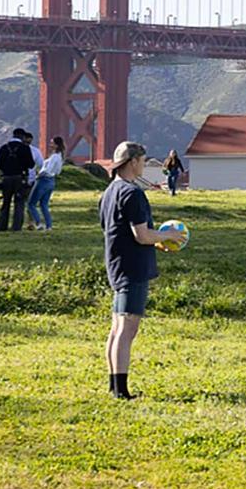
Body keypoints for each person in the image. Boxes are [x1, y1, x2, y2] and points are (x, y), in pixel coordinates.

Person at [100, 141, 182, 400]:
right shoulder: (133, 193)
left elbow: (120, 232)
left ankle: (114, 386)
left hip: (116, 264)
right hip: (133, 267)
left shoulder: (109, 192)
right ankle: (121, 392)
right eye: (143, 160)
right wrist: (167, 235)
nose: (144, 165)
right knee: (127, 330)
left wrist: (156, 239)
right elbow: (141, 234)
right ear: (133, 161)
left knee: (116, 328)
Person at [0, 127, 36, 232]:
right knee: (19, 202)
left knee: (6, 202)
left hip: (6, 178)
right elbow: (31, 164)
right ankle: (16, 227)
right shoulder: (25, 148)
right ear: (22, 137)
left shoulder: (4, 148)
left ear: (13, 135)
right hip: (20, 178)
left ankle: (2, 226)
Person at [27, 136, 65, 233]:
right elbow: (58, 171)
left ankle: (39, 224)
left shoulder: (54, 157)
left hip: (43, 180)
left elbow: (47, 170)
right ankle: (49, 226)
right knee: (44, 204)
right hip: (52, 181)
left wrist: (38, 175)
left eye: (52, 143)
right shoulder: (60, 157)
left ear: (56, 145)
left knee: (31, 204)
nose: (50, 145)